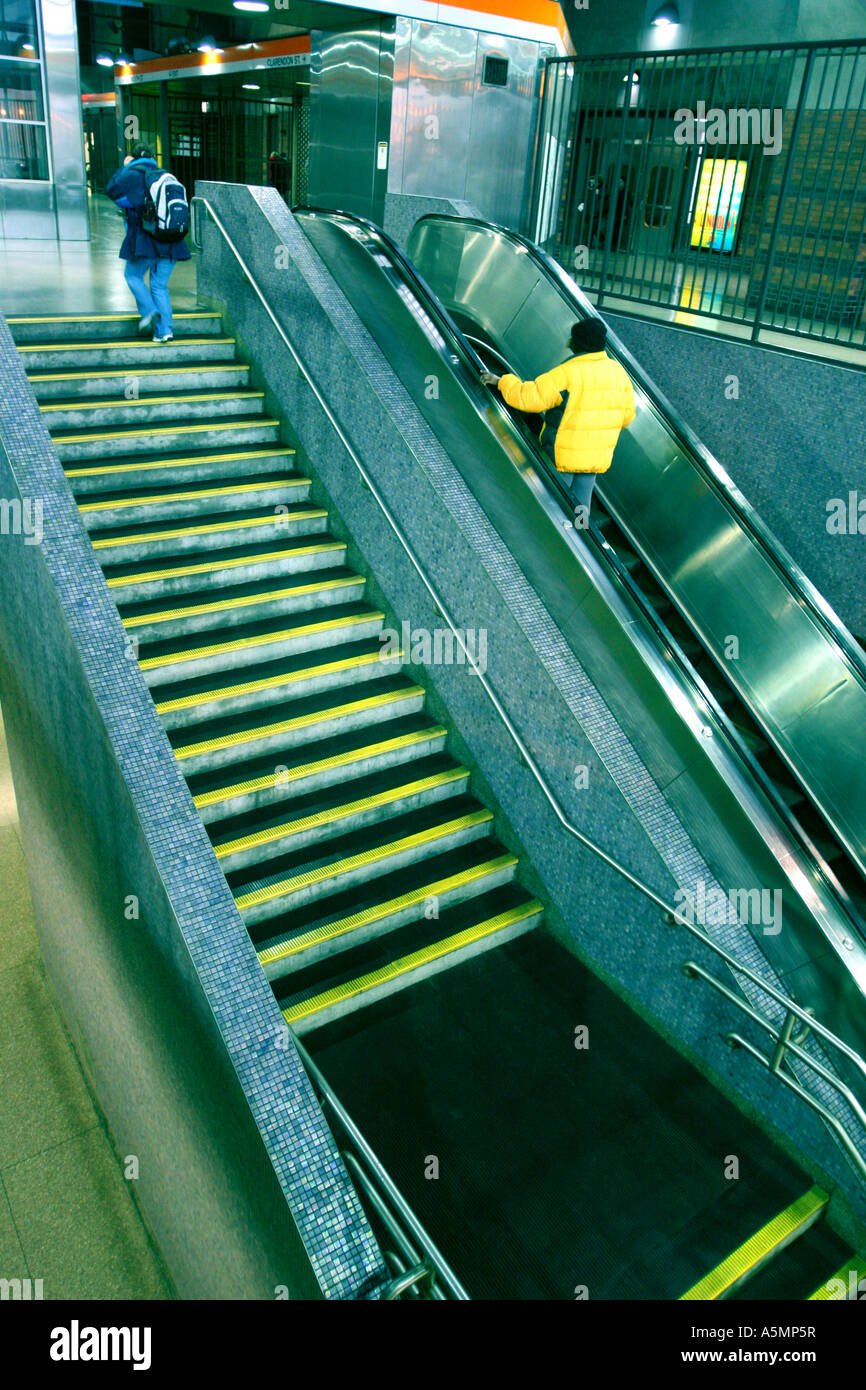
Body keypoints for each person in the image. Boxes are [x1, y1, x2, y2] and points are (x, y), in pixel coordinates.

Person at [481, 317, 635, 523]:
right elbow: (627, 417)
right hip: (595, 458)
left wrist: (502, 381)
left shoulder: (568, 373)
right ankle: (579, 547)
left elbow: (530, 398)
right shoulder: (618, 373)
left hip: (562, 456)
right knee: (581, 511)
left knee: (549, 505)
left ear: (578, 342)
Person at [105, 143, 190, 343]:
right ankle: (165, 331)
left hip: (145, 239)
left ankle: (150, 311)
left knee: (132, 275)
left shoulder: (133, 174)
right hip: (171, 240)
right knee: (160, 286)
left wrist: (125, 166)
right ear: (152, 157)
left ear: (133, 158)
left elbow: (112, 190)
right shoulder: (164, 175)